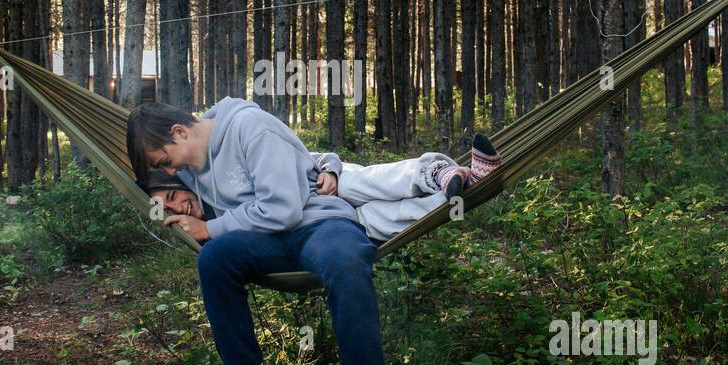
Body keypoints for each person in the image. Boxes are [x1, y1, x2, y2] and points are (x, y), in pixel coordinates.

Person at [126, 98, 500, 365]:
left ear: (180, 131)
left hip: (318, 223)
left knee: (345, 260)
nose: (172, 173)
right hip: (267, 243)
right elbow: (156, 184)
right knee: (213, 261)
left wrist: (211, 229)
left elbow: (284, 209)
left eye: (167, 161)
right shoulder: (188, 166)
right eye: (164, 170)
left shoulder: (249, 126)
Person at [145, 134, 501, 242]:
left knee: (374, 180)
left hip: (330, 186)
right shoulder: (221, 223)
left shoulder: (221, 175)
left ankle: (436, 172)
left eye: (175, 197)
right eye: (170, 212)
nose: (180, 208)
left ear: (182, 181)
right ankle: (464, 188)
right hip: (336, 222)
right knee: (394, 219)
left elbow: (307, 154)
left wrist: (329, 169)